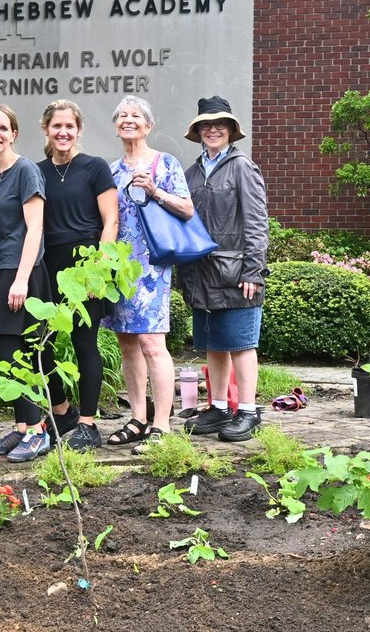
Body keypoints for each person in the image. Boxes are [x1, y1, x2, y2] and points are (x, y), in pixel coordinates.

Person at [101, 95, 194, 447]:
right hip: (120, 266)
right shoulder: (110, 171)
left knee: (153, 343)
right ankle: (137, 418)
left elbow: (187, 209)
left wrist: (155, 191)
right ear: (115, 126)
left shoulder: (164, 163)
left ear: (149, 125)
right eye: (122, 115)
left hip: (151, 266)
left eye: (136, 115)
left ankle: (162, 424)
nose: (128, 120)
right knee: (127, 342)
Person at [178, 96, 270, 442]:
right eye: (206, 124)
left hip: (235, 272)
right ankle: (218, 408)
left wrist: (253, 270)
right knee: (214, 344)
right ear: (198, 131)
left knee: (241, 343)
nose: (213, 129)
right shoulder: (191, 172)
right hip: (200, 275)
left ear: (231, 130)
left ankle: (247, 411)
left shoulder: (242, 166)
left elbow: (258, 222)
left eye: (220, 124)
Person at [36, 99, 118, 450]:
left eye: (70, 126)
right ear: (47, 129)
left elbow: (111, 220)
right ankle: (63, 411)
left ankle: (88, 423)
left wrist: (99, 272)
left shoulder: (94, 167)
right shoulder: (37, 171)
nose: (63, 132)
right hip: (48, 266)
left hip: (87, 264)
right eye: (57, 126)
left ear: (78, 129)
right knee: (43, 345)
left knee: (85, 344)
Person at [0, 103, 53, 463]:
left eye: (3, 127)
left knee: (19, 355)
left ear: (14, 133)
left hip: (21, 274)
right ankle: (22, 428)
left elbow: (35, 228)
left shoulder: (26, 171)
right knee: (6, 357)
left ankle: (38, 432)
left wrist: (21, 280)